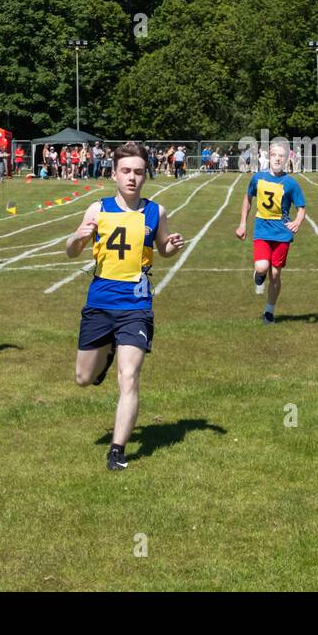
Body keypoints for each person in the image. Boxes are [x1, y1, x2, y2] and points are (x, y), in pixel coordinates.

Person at [68, 143, 185, 470]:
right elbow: (71, 251)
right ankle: (104, 356)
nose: (132, 178)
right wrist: (77, 237)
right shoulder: (97, 209)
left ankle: (117, 451)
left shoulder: (155, 211)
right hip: (100, 301)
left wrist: (171, 247)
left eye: (138, 172)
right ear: (114, 173)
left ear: (145, 174)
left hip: (136, 303)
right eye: (126, 171)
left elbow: (162, 249)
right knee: (82, 378)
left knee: (130, 376)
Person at [235, 142, 306, 324]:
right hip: (262, 230)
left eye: (281, 156)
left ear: (287, 159)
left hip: (282, 234)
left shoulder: (291, 183)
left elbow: (301, 208)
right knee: (262, 267)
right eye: (274, 154)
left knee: (275, 274)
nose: (277, 158)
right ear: (268, 156)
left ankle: (269, 311)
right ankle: (258, 275)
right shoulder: (258, 178)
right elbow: (247, 198)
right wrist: (243, 223)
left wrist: (297, 222)